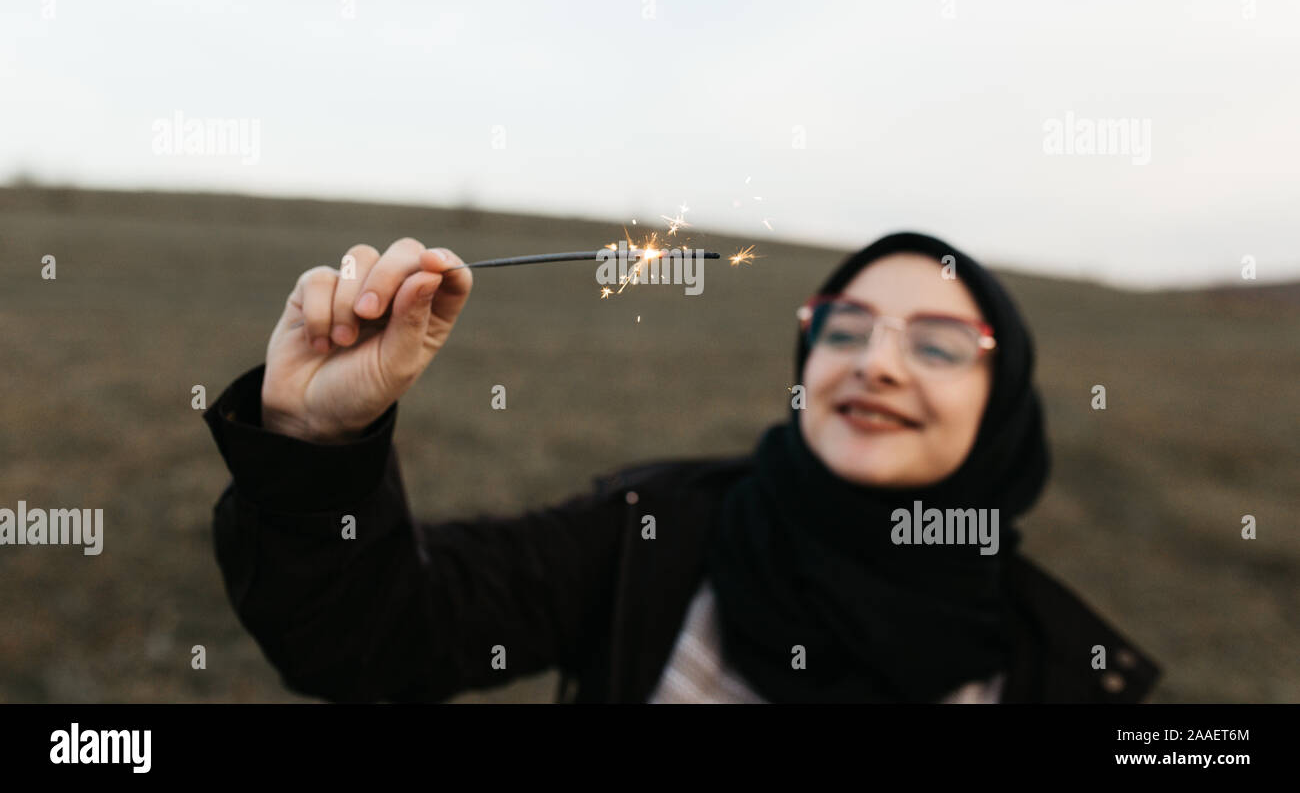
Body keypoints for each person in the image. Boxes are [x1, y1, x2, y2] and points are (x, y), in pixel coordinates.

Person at [204, 231, 1162, 702]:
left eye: (942, 344)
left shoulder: (1070, 676)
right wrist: (312, 445)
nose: (876, 361)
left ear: (1005, 409)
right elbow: (370, 641)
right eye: (847, 327)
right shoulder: (654, 530)